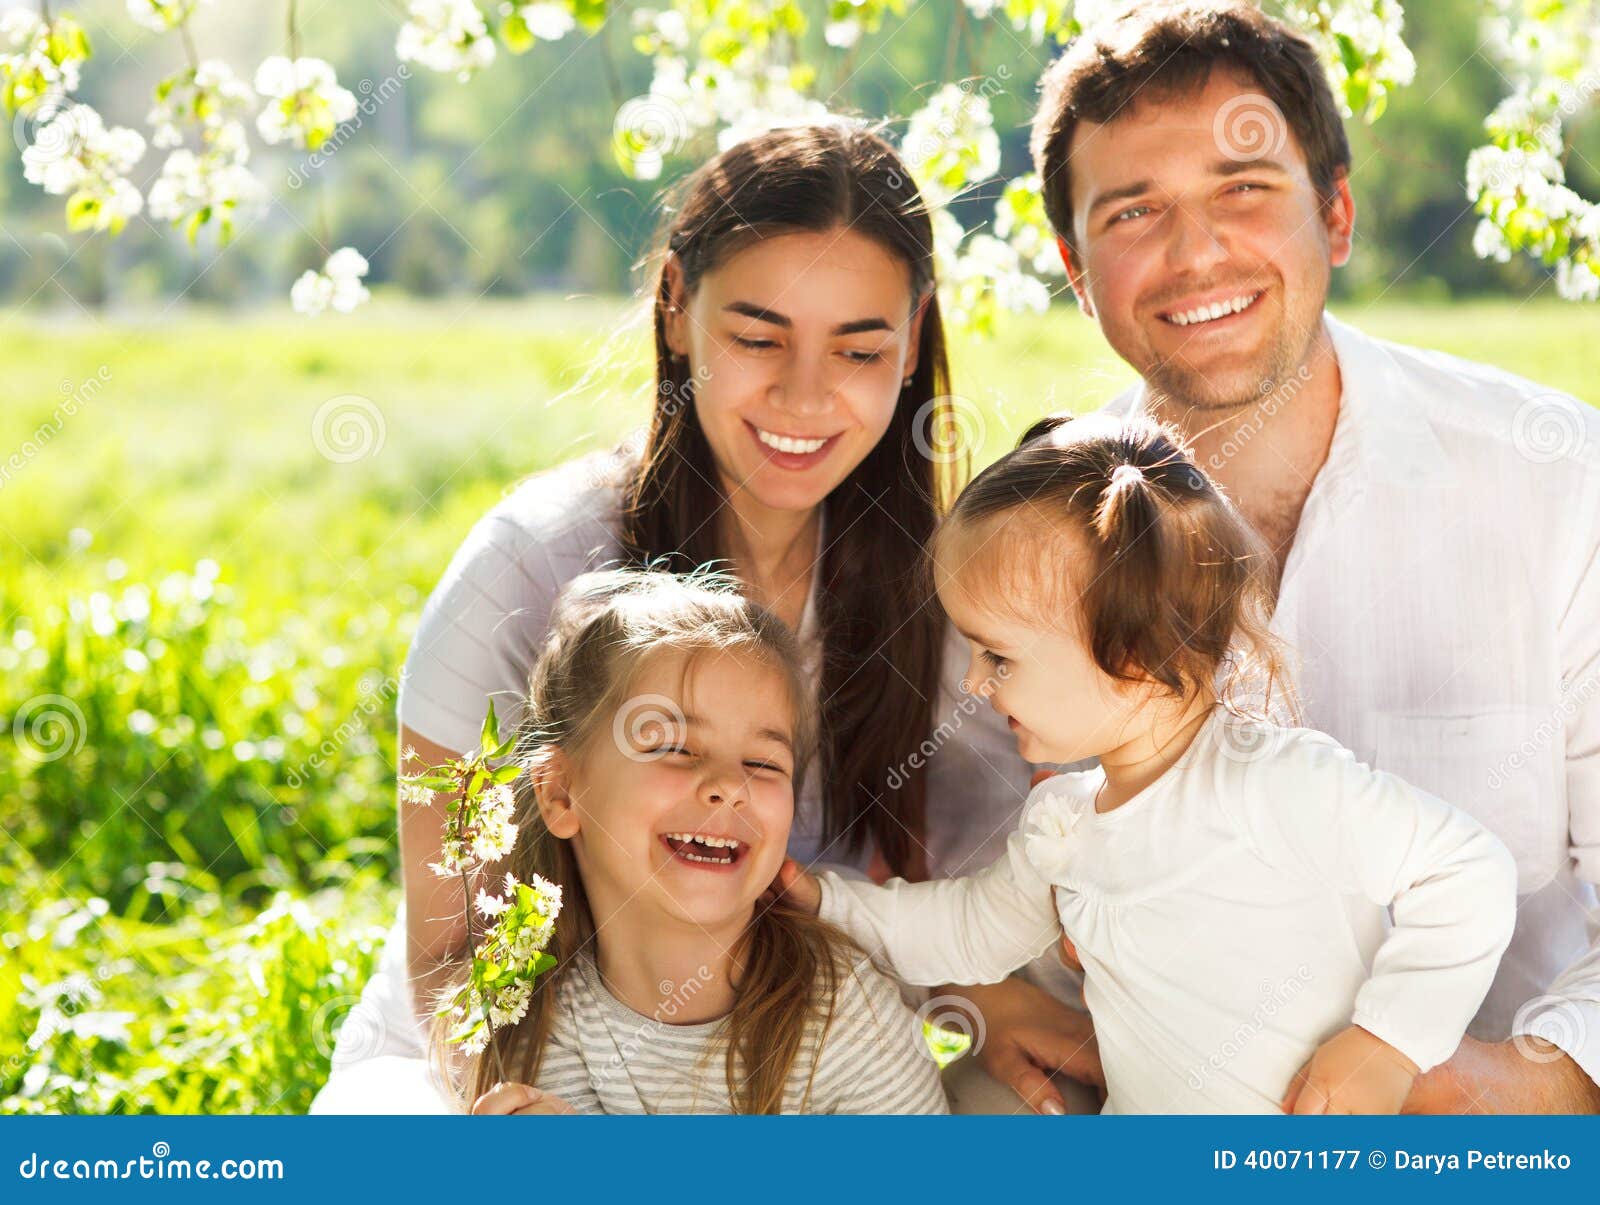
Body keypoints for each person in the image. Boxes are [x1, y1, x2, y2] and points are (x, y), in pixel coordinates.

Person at [311, 121, 1090, 1113]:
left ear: (912, 342)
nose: (804, 396)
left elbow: (993, 901)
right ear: (676, 306)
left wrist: (982, 992)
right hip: (519, 1058)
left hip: (789, 1066)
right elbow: (453, 957)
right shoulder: (526, 568)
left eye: (858, 348)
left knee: (1043, 1101)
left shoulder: (950, 598)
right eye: (758, 338)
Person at [962, 0, 1600, 1112]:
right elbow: (964, 900)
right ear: (1072, 264)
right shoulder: (1019, 545)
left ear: (1336, 214)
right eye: (1134, 212)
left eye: (1242, 192)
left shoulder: (1557, 484)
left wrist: (1503, 1087)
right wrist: (979, 998)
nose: (1195, 253)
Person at [778, 413, 1518, 1113]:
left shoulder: (1275, 783)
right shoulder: (1063, 826)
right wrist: (827, 901)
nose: (973, 682)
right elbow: (968, 929)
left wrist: (1385, 1044)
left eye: (997, 655)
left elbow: (1466, 871)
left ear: (1129, 655)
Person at [431, 570, 949, 1113]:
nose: (730, 786)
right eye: (674, 748)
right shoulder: (534, 1017)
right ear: (561, 793)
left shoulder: (847, 1019)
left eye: (762, 763)